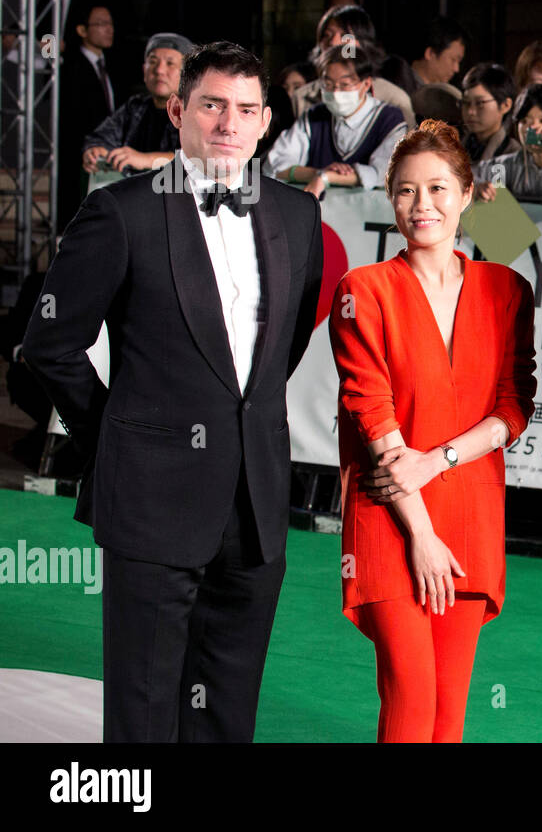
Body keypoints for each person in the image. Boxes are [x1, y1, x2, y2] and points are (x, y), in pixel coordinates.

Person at [22, 41, 325, 742]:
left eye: (245, 109)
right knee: (145, 713)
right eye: (212, 104)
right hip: (150, 499)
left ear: (265, 122)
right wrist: (114, 439)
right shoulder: (120, 212)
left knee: (226, 712)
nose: (228, 123)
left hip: (254, 505)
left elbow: (281, 352)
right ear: (178, 109)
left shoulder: (296, 215)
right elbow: (50, 344)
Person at [329, 119, 537, 743]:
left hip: (470, 517)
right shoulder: (362, 290)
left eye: (439, 188)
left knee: (448, 719)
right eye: (406, 190)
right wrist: (420, 532)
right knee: (412, 701)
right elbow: (374, 417)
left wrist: (436, 460)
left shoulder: (507, 289)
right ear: (390, 198)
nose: (423, 205)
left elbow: (513, 410)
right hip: (390, 518)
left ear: (468, 194)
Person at [266, 42, 408, 198]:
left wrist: (326, 178)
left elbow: (384, 173)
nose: (335, 92)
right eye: (328, 84)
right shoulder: (313, 116)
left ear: (366, 84)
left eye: (344, 84)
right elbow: (275, 165)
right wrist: (318, 172)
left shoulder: (390, 120)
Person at [81, 32, 192, 178]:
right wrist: (95, 151)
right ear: (144, 71)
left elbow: (197, 161)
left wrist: (146, 160)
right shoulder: (135, 108)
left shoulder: (194, 112)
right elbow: (101, 137)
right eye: (153, 62)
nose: (159, 70)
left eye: (170, 63)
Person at [292, 5, 415, 126]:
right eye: (327, 35)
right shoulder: (301, 98)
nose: (333, 43)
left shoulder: (393, 98)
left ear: (363, 43)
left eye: (345, 35)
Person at [474, 83, 542, 215]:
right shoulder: (509, 165)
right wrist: (478, 188)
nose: (533, 128)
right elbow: (467, 176)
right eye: (525, 121)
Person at [58, 3, 119, 231]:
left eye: (110, 23)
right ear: (82, 30)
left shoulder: (111, 65)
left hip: (106, 151)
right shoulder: (70, 66)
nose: (109, 29)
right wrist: (52, 44)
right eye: (101, 24)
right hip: (78, 153)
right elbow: (45, 53)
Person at [409, 16, 468, 124]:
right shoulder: (401, 92)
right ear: (430, 53)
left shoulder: (447, 98)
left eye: (459, 62)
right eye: (453, 60)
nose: (456, 69)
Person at [458, 63, 520, 163]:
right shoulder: (454, 147)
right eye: (466, 102)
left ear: (505, 105)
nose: (470, 111)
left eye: (480, 103)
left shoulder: (514, 154)